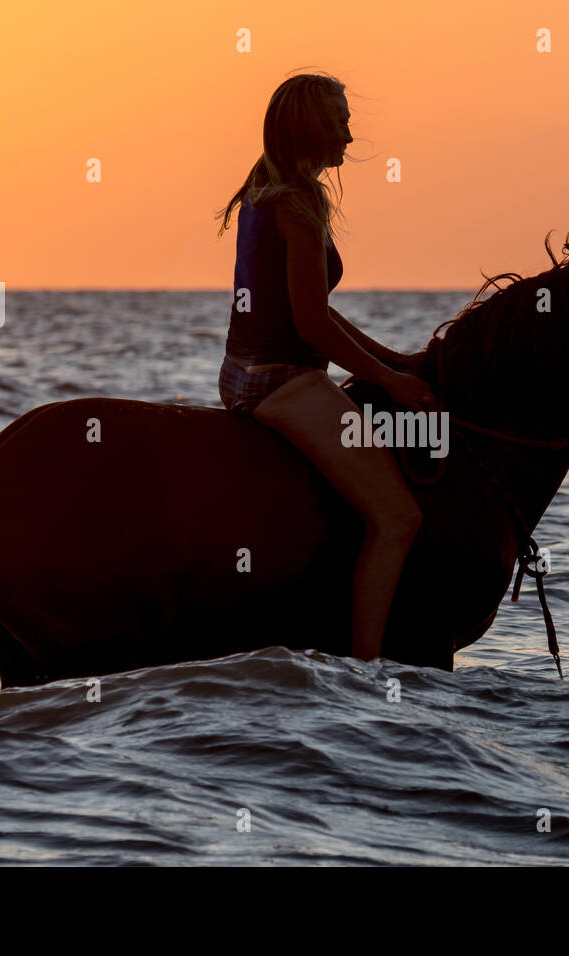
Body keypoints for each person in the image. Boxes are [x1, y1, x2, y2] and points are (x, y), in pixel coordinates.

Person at [216, 73, 437, 661]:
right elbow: (312, 326)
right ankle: (365, 668)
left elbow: (314, 310)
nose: (349, 131)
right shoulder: (299, 200)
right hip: (282, 380)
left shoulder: (266, 184)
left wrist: (395, 359)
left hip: (247, 370)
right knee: (398, 517)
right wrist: (393, 382)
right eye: (340, 120)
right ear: (314, 125)